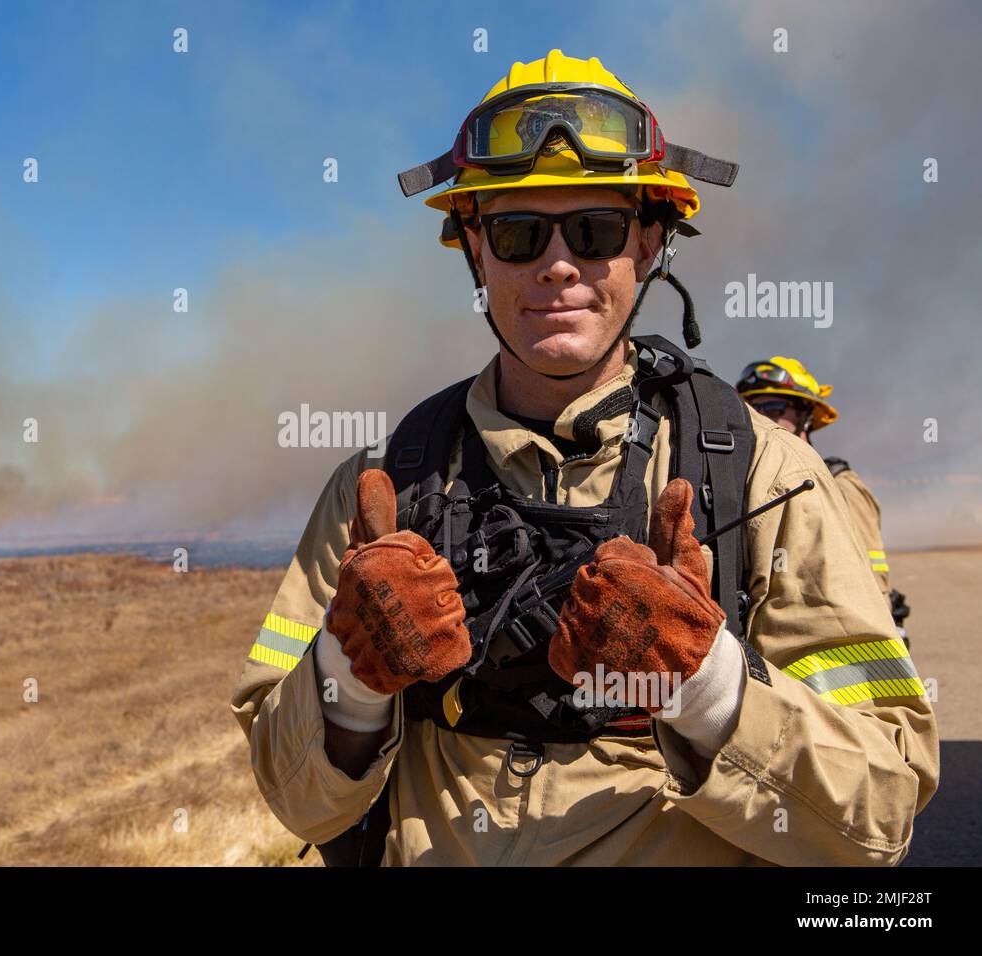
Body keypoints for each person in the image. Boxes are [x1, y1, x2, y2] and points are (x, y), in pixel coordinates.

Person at [229, 50, 937, 866]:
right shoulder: (379, 490)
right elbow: (295, 801)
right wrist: (350, 682)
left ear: (651, 243)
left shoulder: (765, 479)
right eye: (519, 232)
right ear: (474, 251)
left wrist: (705, 685)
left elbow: (880, 816)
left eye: (595, 231)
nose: (558, 264)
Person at [736, 358, 910, 642]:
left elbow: (872, 573)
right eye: (753, 409)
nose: (762, 418)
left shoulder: (840, 485)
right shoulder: (743, 484)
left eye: (774, 409)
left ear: (806, 416)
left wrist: (883, 629)